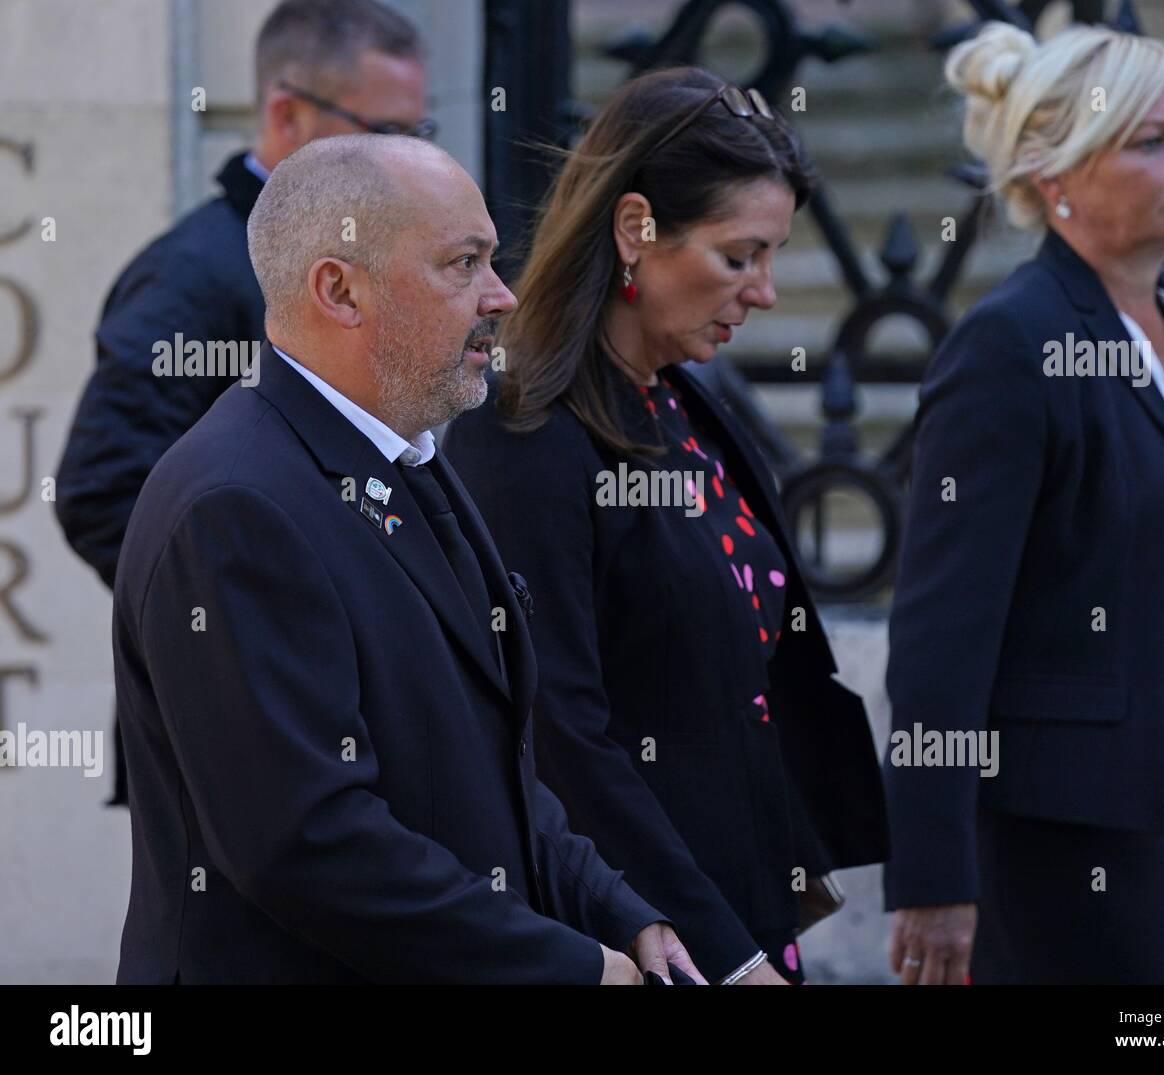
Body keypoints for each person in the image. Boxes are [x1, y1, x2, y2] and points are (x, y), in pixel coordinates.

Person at [113, 134, 696, 984]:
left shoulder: (406, 453)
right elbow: (310, 845)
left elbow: (489, 770)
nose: (502, 296)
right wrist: (574, 967)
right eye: (464, 264)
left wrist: (618, 911)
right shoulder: (234, 508)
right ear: (340, 291)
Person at [446, 66, 889, 985]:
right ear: (635, 229)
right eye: (740, 256)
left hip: (746, 904)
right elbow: (560, 735)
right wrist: (717, 956)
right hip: (638, 937)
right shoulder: (524, 433)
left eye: (771, 258)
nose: (764, 292)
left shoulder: (686, 403)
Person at [884, 22, 1164, 985]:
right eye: (1153, 142)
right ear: (1053, 172)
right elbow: (943, 636)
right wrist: (935, 875)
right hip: (1062, 831)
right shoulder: (1010, 346)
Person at [56, 0, 433, 806]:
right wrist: (264, 629)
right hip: (250, 740)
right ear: (286, 113)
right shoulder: (195, 273)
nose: (407, 163)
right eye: (382, 135)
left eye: (420, 135)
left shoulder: (343, 257)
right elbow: (101, 487)